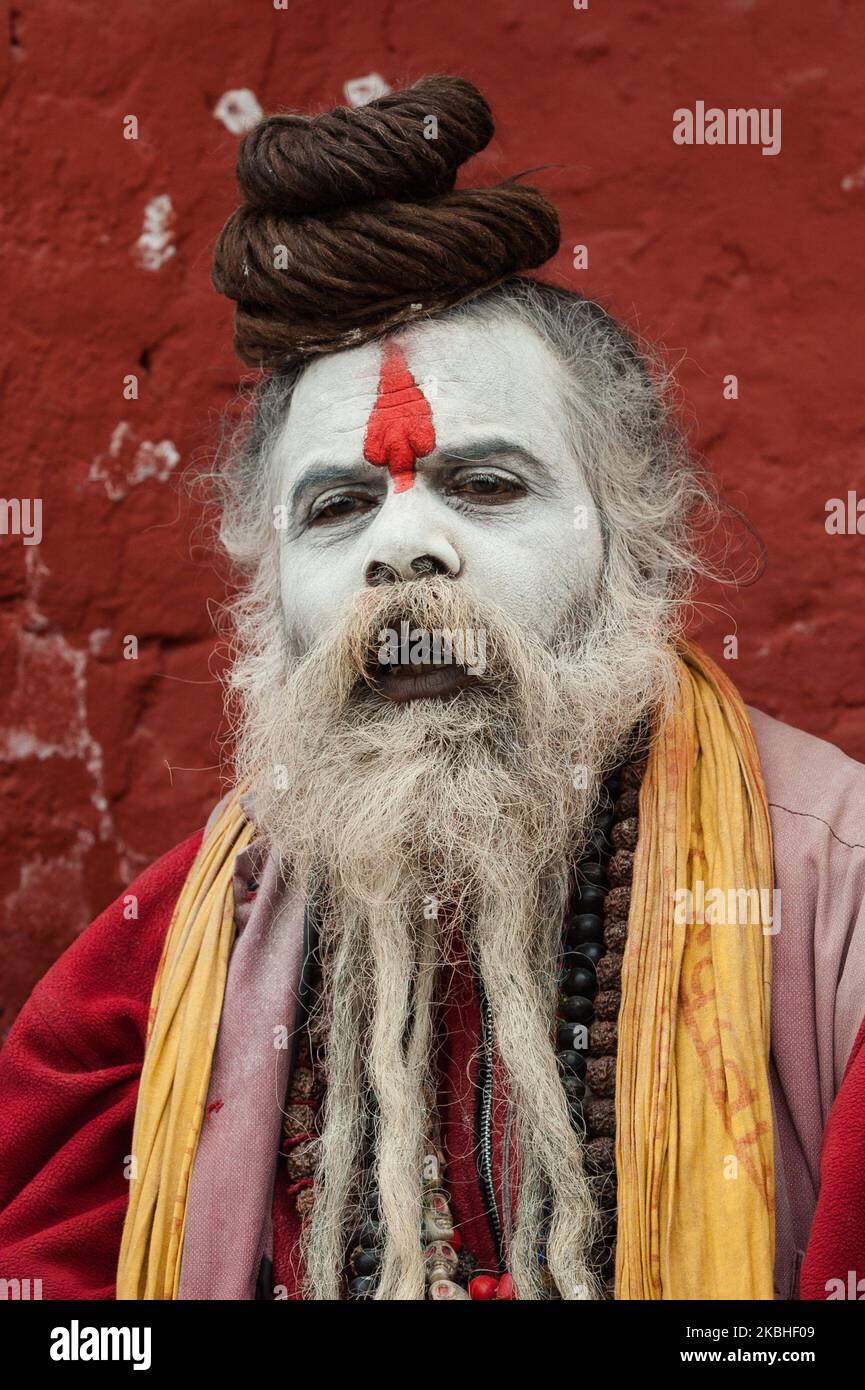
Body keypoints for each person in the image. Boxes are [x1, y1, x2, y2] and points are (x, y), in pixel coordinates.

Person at [1, 75, 864, 1303]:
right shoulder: (166, 954)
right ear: (269, 595)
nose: (404, 550)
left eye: (490, 487)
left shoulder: (835, 909)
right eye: (339, 507)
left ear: (639, 542)